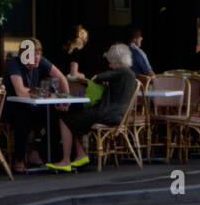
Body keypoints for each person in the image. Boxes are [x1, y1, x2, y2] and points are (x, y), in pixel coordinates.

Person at [48, 43, 138, 172]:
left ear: (117, 61)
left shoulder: (120, 72)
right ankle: (80, 155)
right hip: (119, 115)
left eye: (110, 62)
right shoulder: (130, 74)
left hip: (108, 113)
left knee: (65, 119)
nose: (109, 65)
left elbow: (97, 78)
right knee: (74, 118)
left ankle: (66, 160)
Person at [4, 38, 69, 173]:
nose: (36, 61)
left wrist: (65, 99)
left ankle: (38, 152)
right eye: (33, 58)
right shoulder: (13, 64)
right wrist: (40, 91)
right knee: (22, 117)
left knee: (57, 116)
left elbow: (61, 78)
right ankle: (19, 159)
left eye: (38, 57)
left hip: (32, 105)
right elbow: (20, 91)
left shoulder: (40, 61)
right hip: (10, 107)